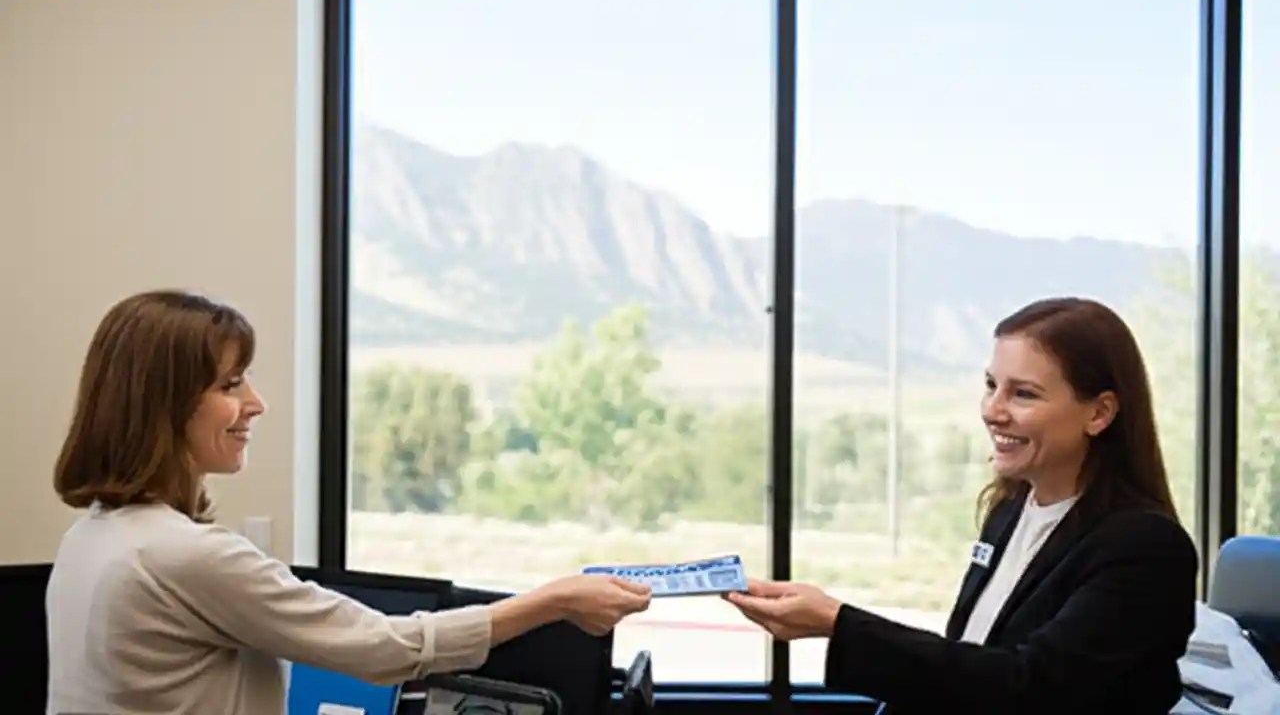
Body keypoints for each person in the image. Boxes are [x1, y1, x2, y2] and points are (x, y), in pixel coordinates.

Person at [45, 289, 651, 715]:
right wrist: (555, 601)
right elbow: (386, 648)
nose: (255, 403)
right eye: (230, 384)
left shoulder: (94, 536)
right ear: (163, 404)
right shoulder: (183, 555)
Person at [725, 297, 1198, 714]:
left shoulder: (1145, 547)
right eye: (991, 385)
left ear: (1099, 413)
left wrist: (837, 623)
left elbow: (1030, 690)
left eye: (1023, 393)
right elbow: (968, 661)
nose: (993, 410)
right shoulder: (1009, 512)